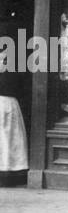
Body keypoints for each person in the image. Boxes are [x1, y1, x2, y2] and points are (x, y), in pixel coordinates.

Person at [0, 18, 30, 188]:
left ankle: (6, 173)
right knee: (7, 138)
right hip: (8, 102)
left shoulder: (12, 61)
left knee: (6, 138)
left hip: (6, 102)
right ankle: (8, 172)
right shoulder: (14, 61)